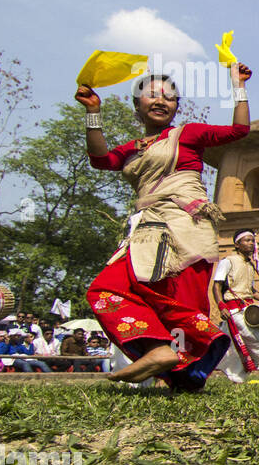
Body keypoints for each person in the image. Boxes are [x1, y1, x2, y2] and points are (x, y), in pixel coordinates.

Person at [79, 67, 249, 389]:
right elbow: (100, 159)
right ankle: (162, 353)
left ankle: (182, 374)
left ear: (177, 106)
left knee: (180, 303)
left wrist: (238, 87)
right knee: (108, 288)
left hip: (184, 227)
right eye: (153, 94)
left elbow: (239, 130)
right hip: (146, 230)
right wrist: (93, 112)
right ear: (136, 104)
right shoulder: (132, 148)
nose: (162, 101)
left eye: (170, 97)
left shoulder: (188, 134)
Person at [212, 229, 259, 382]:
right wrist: (221, 306)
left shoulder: (250, 265)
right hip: (234, 309)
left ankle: (237, 377)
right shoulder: (228, 261)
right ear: (237, 244)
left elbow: (252, 291)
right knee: (257, 339)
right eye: (247, 240)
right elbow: (216, 286)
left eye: (252, 240)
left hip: (247, 308)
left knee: (231, 348)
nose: (251, 243)